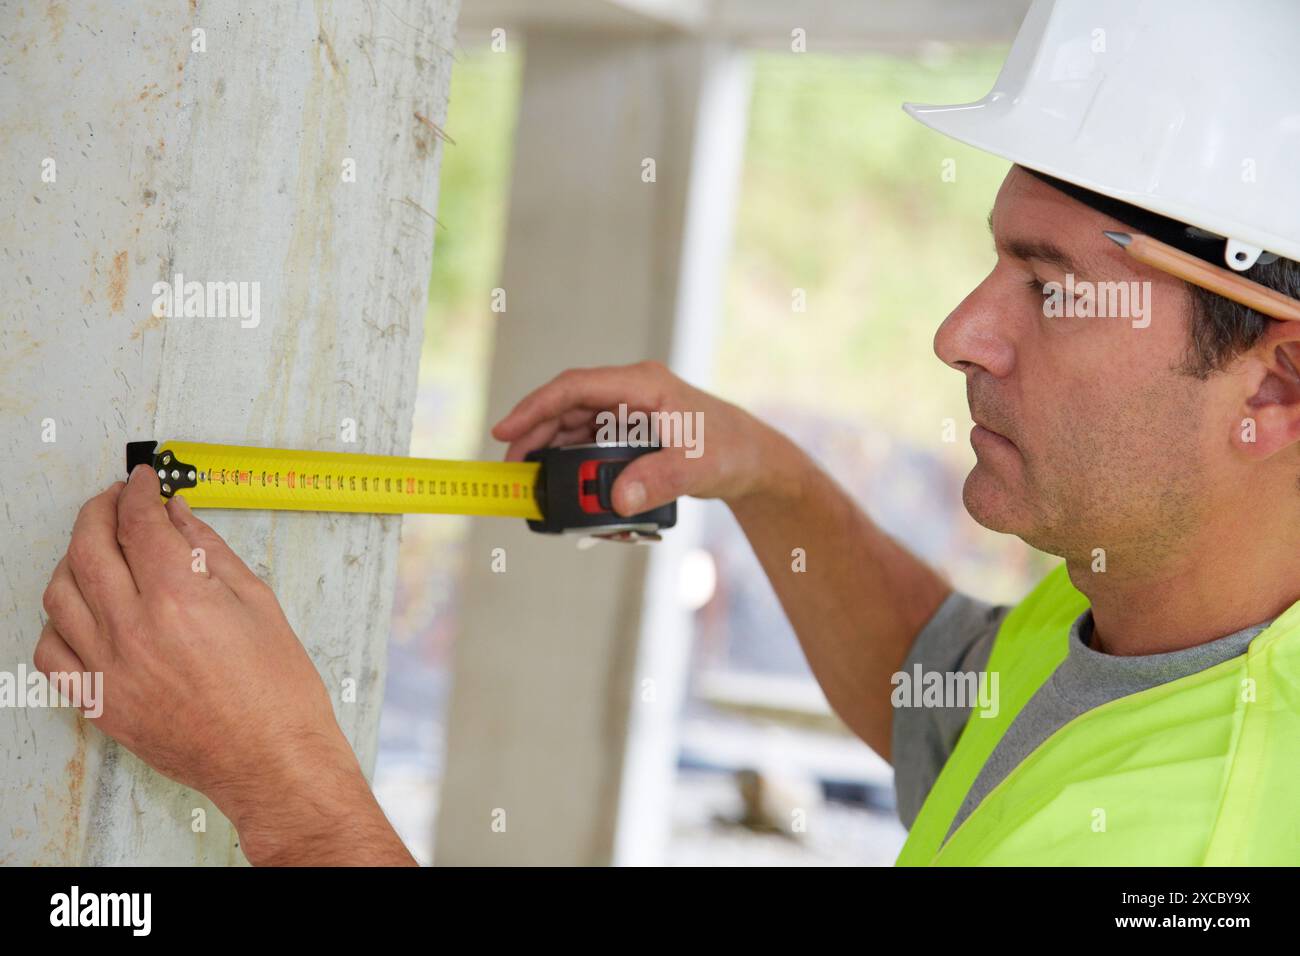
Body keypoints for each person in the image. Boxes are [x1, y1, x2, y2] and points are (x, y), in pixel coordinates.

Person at [36, 0, 1300, 865]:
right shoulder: (1155, 606)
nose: (960, 332)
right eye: (993, 265)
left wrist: (287, 791)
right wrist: (769, 475)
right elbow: (956, 706)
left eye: (1051, 286)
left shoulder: (1187, 847)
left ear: (1273, 385)